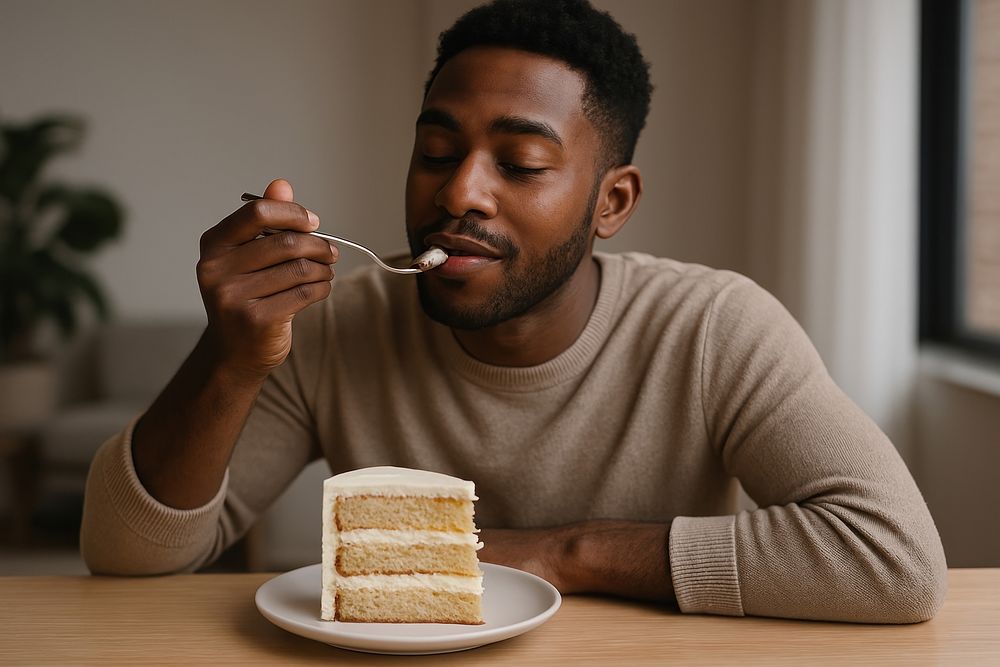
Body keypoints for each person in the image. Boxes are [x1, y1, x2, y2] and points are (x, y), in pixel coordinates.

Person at [80, 0, 947, 623]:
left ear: (612, 202)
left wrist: (565, 552)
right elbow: (127, 559)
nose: (459, 191)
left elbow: (895, 561)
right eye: (435, 151)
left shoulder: (713, 328)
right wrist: (227, 359)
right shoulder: (337, 329)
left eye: (522, 163)